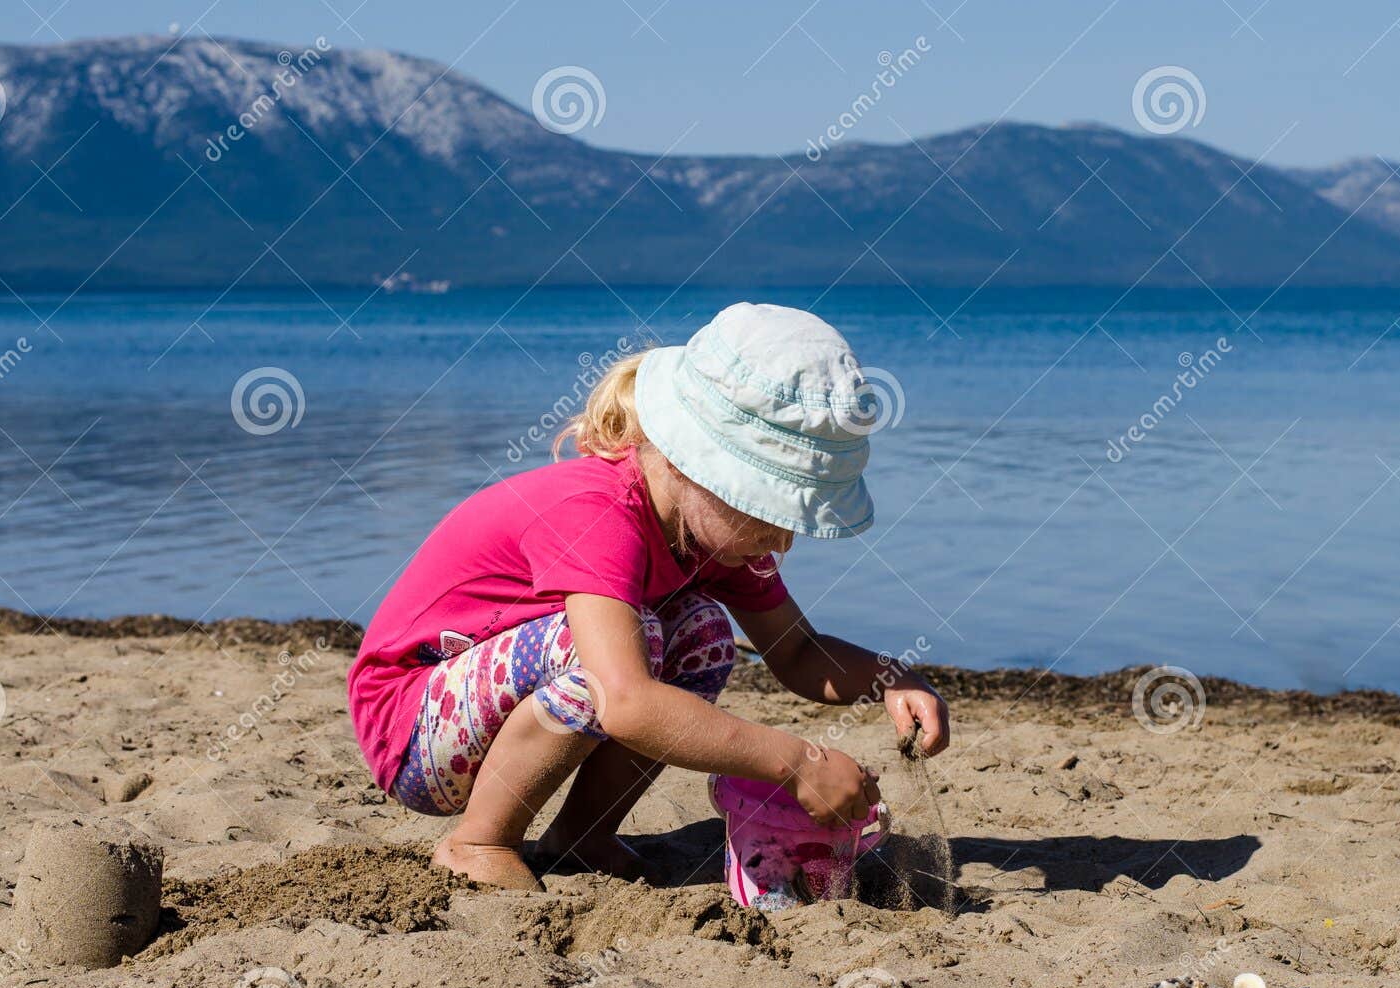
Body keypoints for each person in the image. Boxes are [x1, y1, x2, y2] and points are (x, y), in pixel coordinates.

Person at [347, 302, 949, 893]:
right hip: (413, 726)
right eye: (770, 507)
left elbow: (797, 651)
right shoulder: (597, 512)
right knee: (621, 659)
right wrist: (795, 764)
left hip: (489, 715)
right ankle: (477, 841)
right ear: (696, 466)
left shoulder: (714, 538)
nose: (783, 536)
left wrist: (891, 677)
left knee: (704, 634)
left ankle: (581, 836)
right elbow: (626, 703)